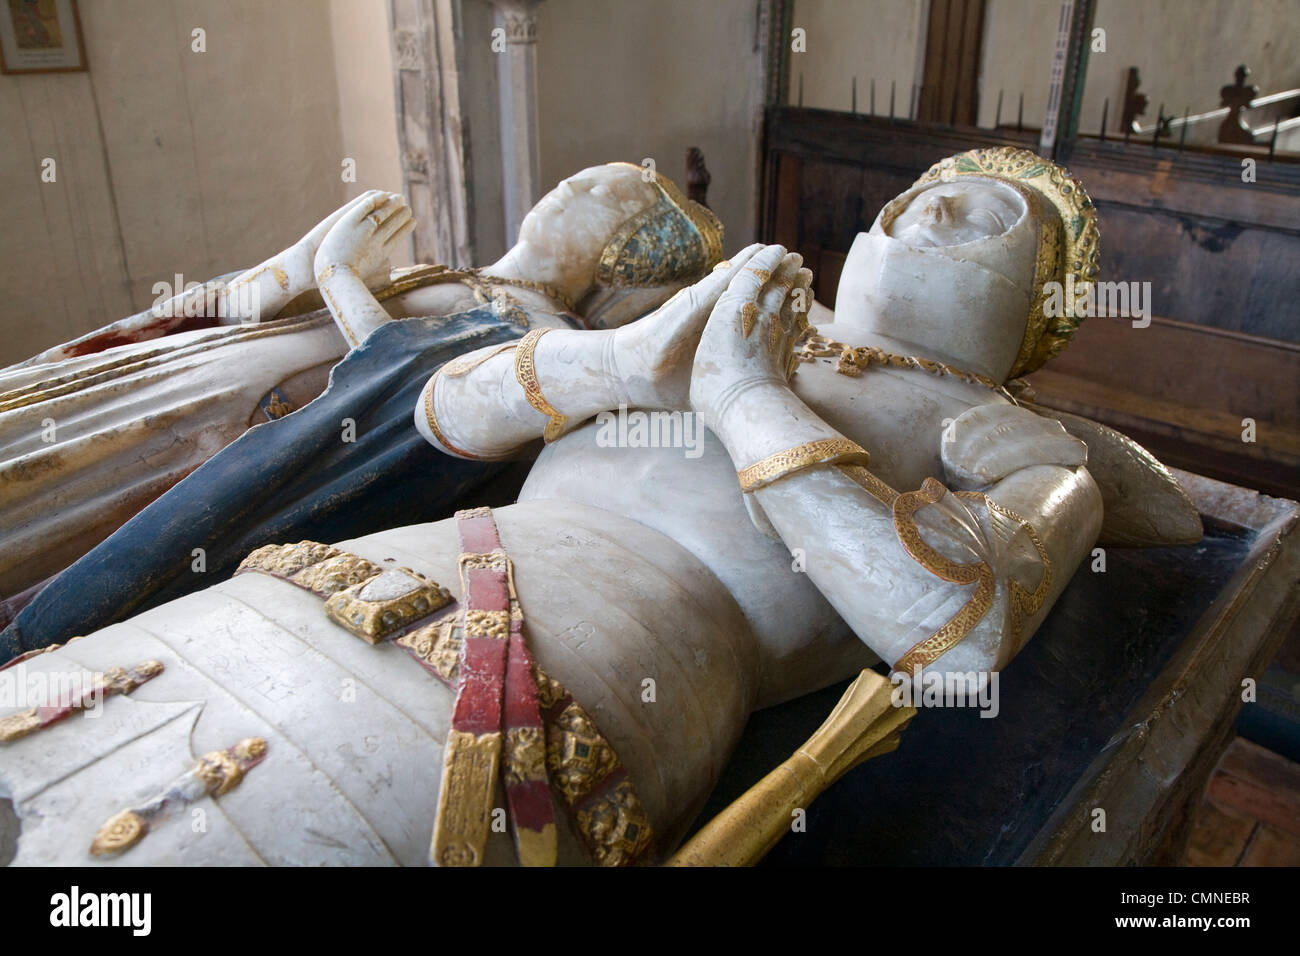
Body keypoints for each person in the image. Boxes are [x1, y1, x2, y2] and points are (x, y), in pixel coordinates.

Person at [0, 148, 1196, 867]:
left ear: (1034, 303)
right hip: (340, 579)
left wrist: (743, 399)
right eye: (926, 192)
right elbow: (439, 410)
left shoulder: (1021, 439)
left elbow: (958, 634)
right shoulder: (740, 300)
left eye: (987, 213)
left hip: (576, 679)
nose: (931, 207)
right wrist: (622, 365)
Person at [0, 163, 722, 642]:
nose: (571, 186)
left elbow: (408, 403)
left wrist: (341, 273)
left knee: (76, 506)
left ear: (625, 253)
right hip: (202, 371)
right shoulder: (462, 270)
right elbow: (270, 302)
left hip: (259, 428)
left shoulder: (544, 333)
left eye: (604, 196)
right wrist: (295, 267)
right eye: (583, 176)